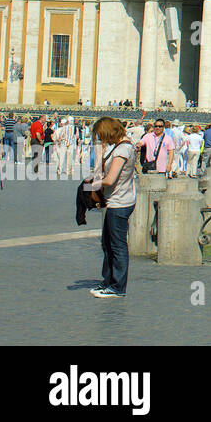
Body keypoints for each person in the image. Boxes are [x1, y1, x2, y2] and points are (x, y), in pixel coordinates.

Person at [88, 117, 137, 298]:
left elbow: (109, 179)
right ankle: (108, 281)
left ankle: (117, 286)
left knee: (117, 246)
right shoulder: (117, 147)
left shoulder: (123, 149)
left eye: (101, 135)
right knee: (107, 243)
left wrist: (88, 186)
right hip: (115, 201)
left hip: (120, 202)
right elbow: (101, 172)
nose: (101, 139)